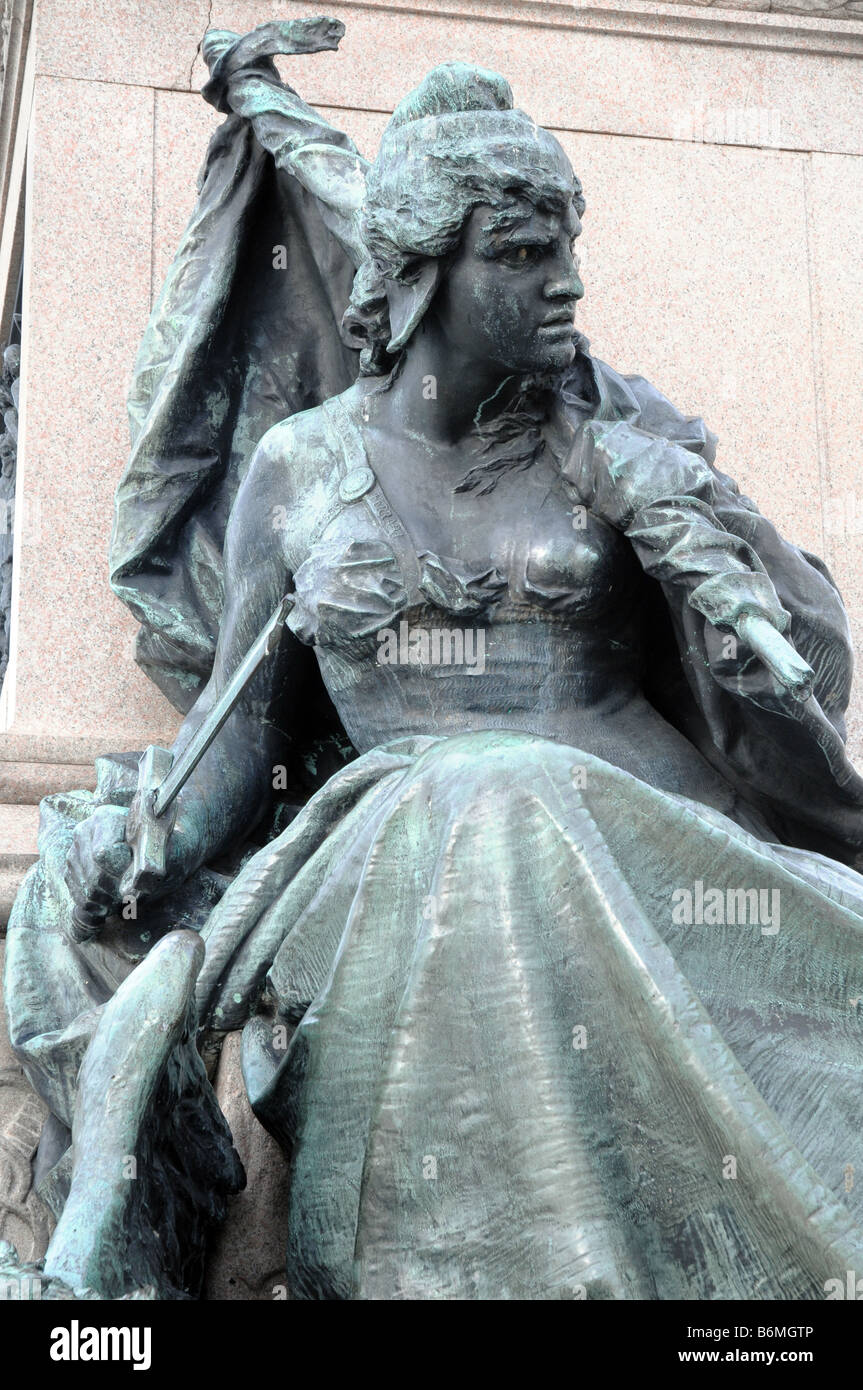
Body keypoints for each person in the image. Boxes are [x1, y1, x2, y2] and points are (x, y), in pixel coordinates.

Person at [6, 28, 863, 1301]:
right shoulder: (299, 470)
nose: (565, 283)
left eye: (567, 246)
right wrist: (148, 842)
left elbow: (791, 680)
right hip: (391, 841)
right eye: (521, 255)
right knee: (478, 793)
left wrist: (722, 568)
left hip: (655, 854)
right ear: (416, 277)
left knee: (499, 792)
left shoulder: (614, 451)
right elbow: (239, 746)